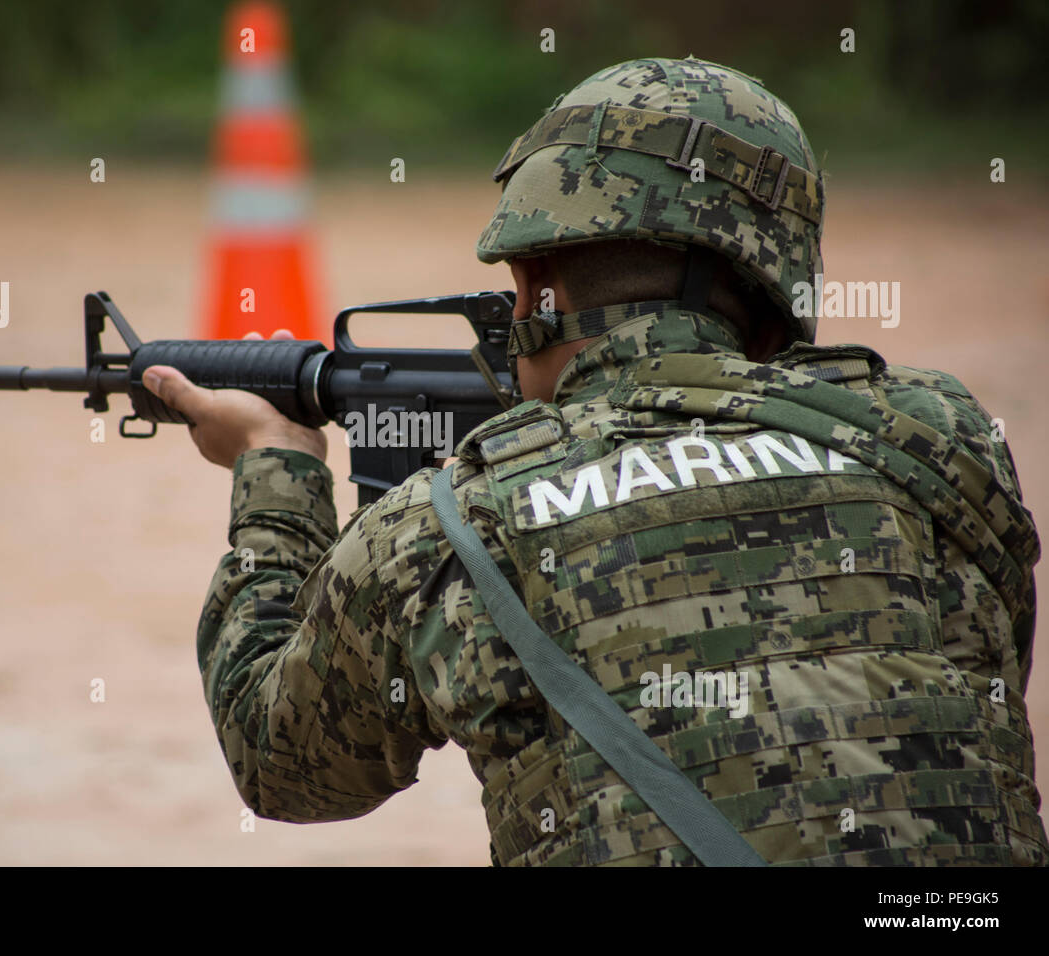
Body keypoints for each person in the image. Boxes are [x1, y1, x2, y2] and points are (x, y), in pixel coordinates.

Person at [142, 56, 1047, 865]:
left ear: (534, 285)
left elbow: (283, 765)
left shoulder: (442, 525)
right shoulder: (943, 441)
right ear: (776, 300)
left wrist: (276, 466)